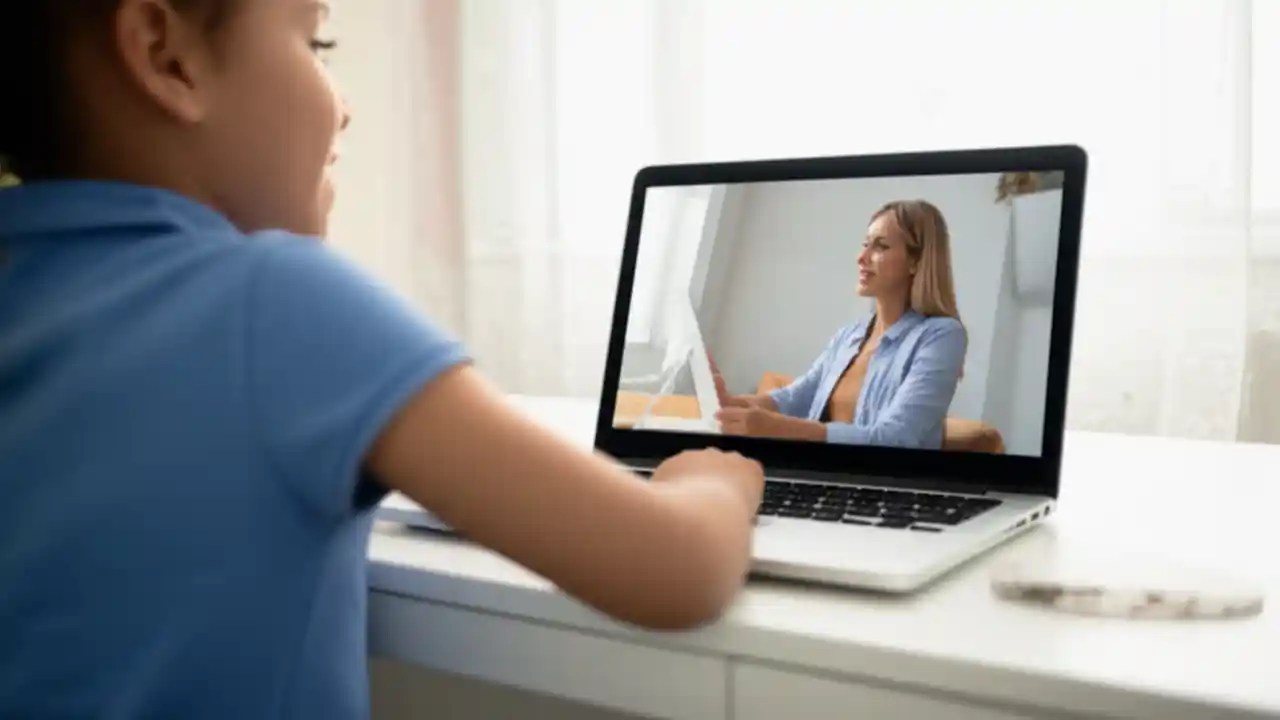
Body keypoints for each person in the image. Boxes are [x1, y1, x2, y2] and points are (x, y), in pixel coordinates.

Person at [0, 2, 764, 718]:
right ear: (164, 54)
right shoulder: (274, 299)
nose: (347, 104)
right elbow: (676, 571)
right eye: (314, 42)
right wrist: (711, 478)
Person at [714, 200, 966, 450]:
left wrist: (778, 428)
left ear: (916, 261)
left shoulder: (941, 336)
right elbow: (795, 398)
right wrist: (733, 403)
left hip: (884, 484)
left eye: (880, 246)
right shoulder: (850, 336)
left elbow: (895, 438)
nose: (861, 257)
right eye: (865, 244)